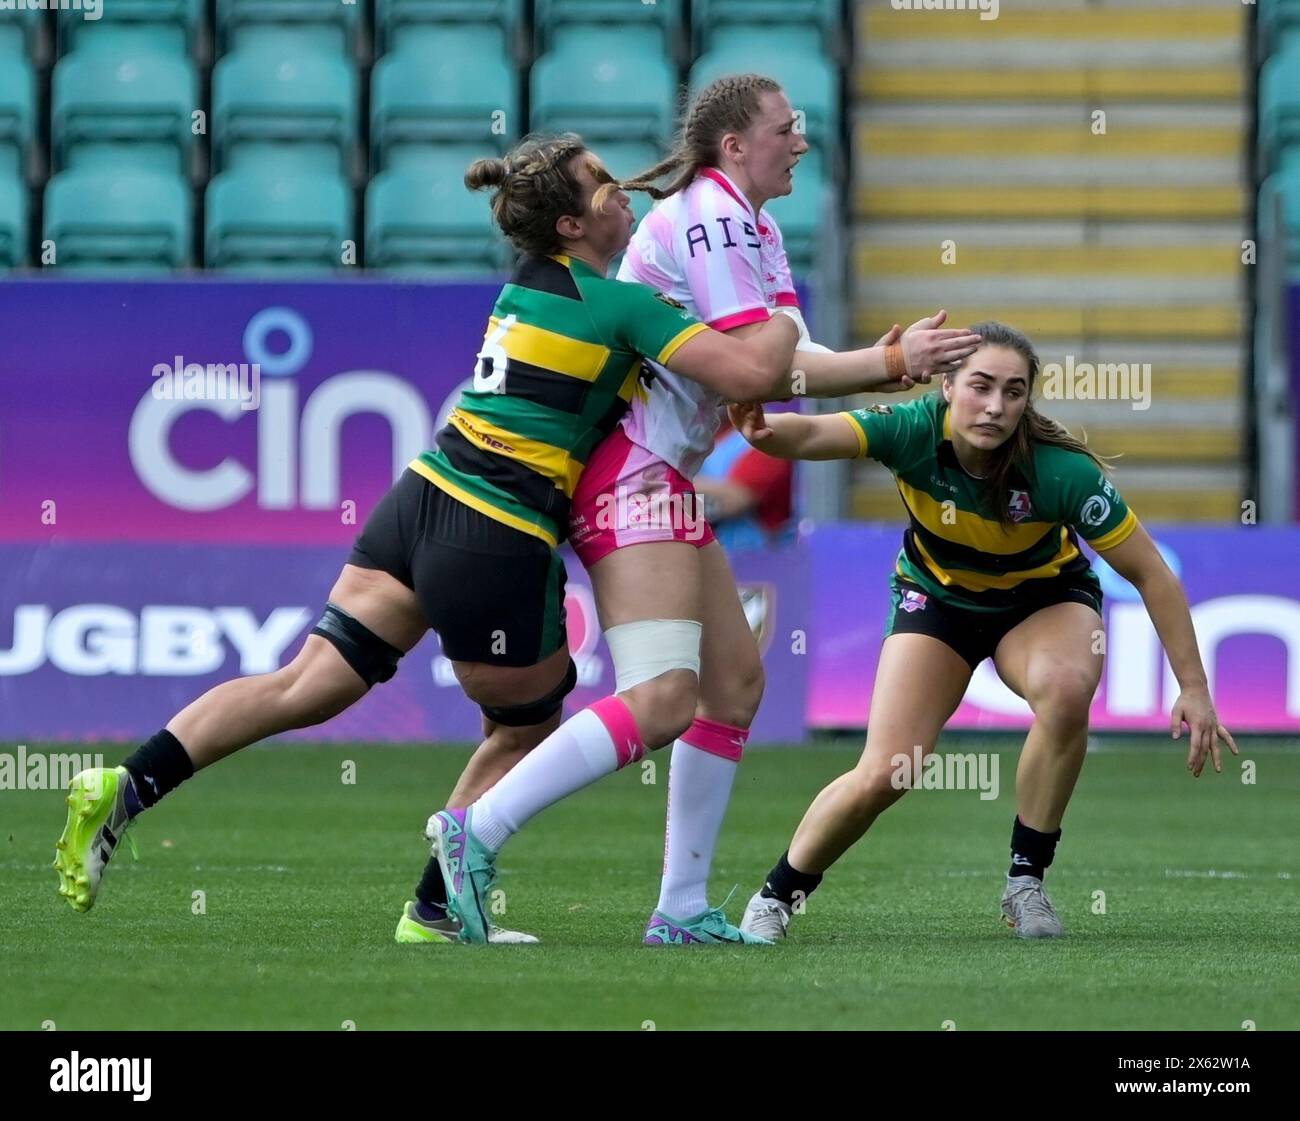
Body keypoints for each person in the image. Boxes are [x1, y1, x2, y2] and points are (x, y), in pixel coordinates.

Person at [52, 133, 801, 939]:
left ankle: (129, 782)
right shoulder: (619, 306)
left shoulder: (525, 286)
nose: (621, 192)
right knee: (527, 727)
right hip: (498, 527)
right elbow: (755, 375)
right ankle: (437, 905)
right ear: (569, 229)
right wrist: (801, 308)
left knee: (303, 684)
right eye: (599, 186)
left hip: (417, 499)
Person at [427, 78, 982, 945]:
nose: (799, 143)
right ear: (733, 145)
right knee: (662, 699)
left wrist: (880, 359)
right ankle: (477, 829)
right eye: (783, 129)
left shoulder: (750, 224)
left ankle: (681, 908)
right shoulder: (713, 219)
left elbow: (781, 359)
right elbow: (765, 369)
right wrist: (885, 359)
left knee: (733, 686)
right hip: (634, 471)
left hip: (662, 473)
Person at [727, 321, 1239, 940]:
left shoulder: (1061, 471)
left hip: (1043, 600)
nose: (996, 406)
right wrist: (763, 432)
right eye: (981, 386)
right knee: (889, 768)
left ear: (1029, 399)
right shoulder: (910, 430)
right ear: (947, 386)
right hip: (937, 600)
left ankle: (1026, 882)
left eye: (1014, 392)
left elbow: (1152, 574)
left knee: (1067, 689)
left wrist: (1194, 686)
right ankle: (777, 897)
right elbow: (812, 432)